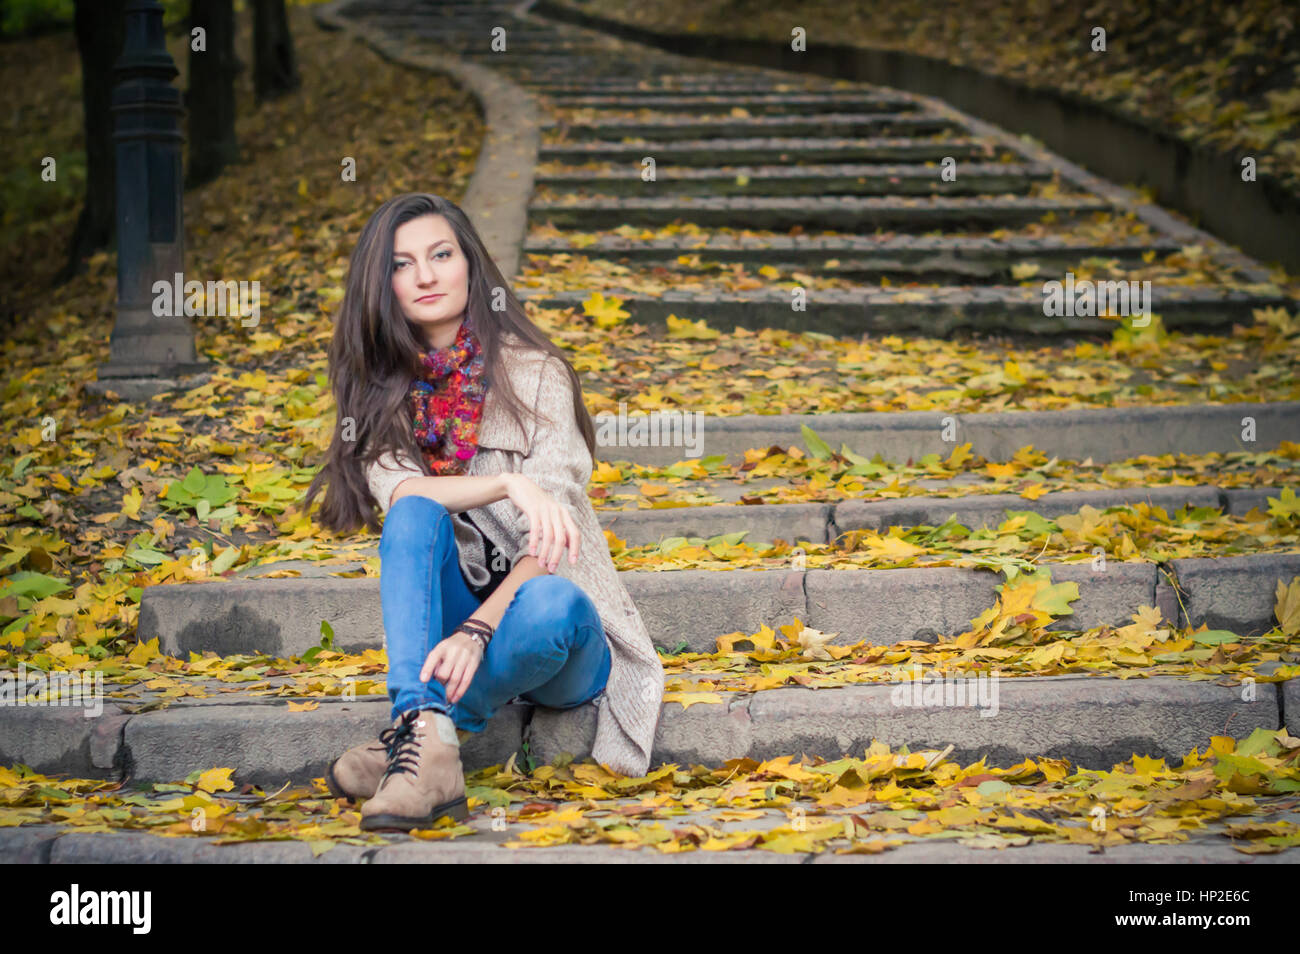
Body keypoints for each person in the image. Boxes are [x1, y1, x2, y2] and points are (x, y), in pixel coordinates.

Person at [303, 193, 664, 832]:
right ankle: (427, 734)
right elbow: (402, 495)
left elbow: (557, 538)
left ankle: (417, 740)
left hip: (552, 630)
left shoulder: (538, 375)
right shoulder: (378, 394)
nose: (425, 275)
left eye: (441, 254)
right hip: (452, 619)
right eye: (401, 263)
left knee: (555, 605)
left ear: (468, 262)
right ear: (381, 284)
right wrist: (505, 483)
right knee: (415, 512)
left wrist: (481, 627)